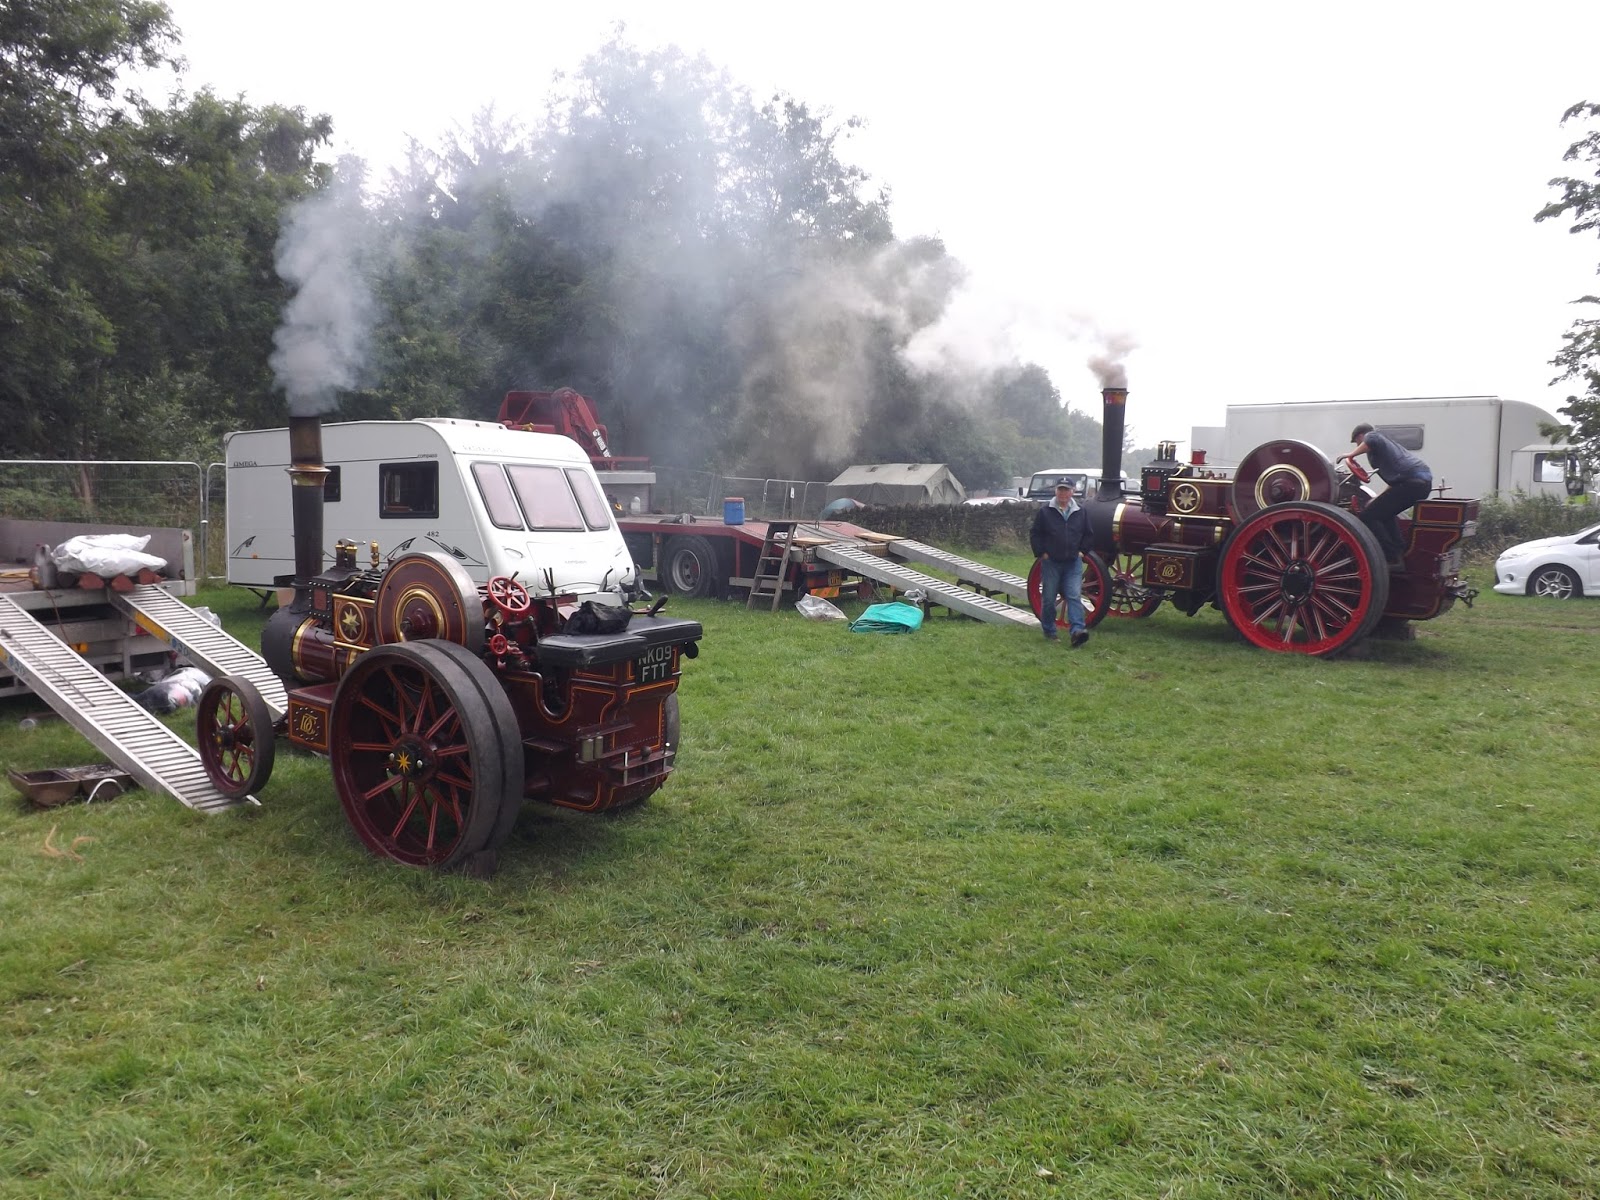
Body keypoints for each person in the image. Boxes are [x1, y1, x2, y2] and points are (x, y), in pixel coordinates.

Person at [1338, 423, 1433, 567]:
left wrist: (1350, 455)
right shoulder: (1387, 447)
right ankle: (1399, 550)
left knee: (1367, 516)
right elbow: (1393, 481)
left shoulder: (1373, 436)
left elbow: (1371, 441)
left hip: (1411, 483)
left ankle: (1390, 556)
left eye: (1357, 442)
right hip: (1420, 484)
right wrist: (1377, 498)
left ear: (1360, 436)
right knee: (1386, 513)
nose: (1358, 445)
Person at [1029, 480, 1092, 646]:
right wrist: (1042, 553)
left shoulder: (1080, 512)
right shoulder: (1045, 512)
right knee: (1049, 598)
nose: (1063, 494)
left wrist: (1082, 551)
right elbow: (1035, 534)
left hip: (1073, 562)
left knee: (1073, 595)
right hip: (1052, 562)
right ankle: (1049, 630)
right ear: (1056, 492)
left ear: (1072, 492)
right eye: (1060, 490)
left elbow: (1088, 534)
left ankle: (1077, 631)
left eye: (1066, 490)